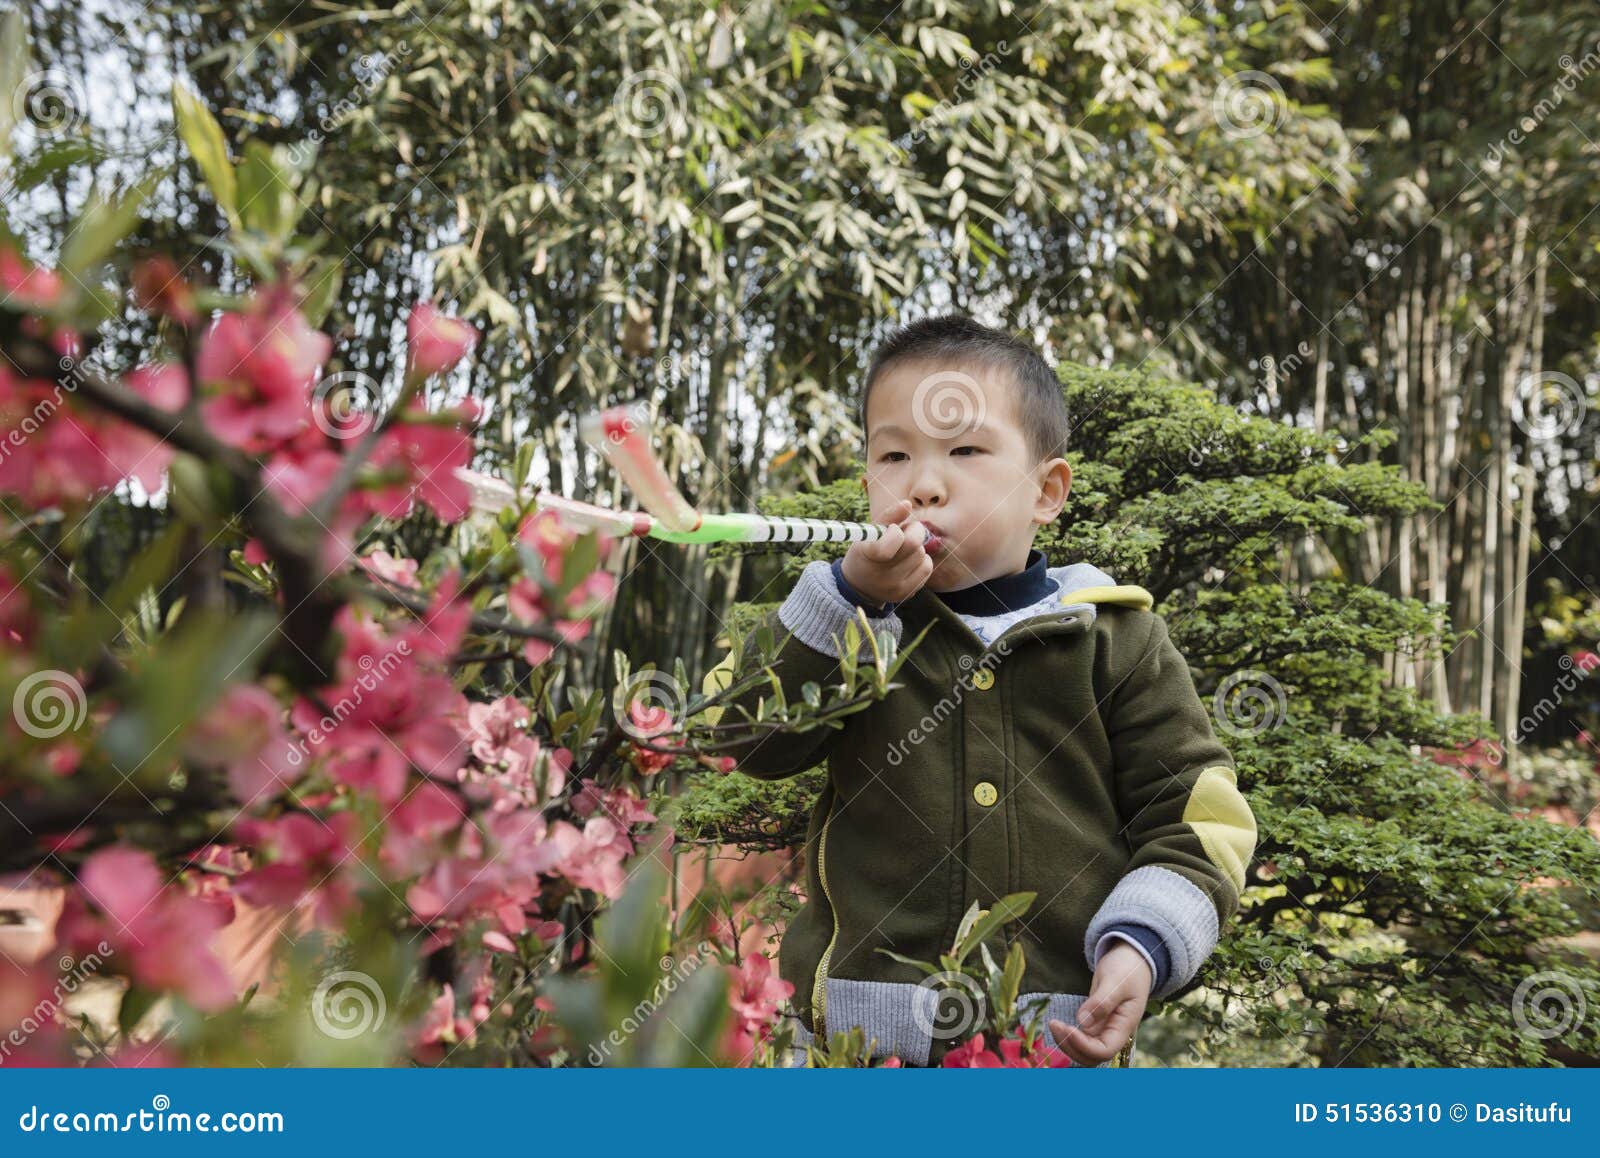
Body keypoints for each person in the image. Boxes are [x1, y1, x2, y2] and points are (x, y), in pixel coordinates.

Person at [701, 315, 1258, 1067]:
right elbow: (739, 737)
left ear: (1047, 492)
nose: (924, 484)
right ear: (869, 487)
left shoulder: (1116, 641)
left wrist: (1141, 944)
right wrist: (845, 602)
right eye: (894, 456)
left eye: (965, 451)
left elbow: (1200, 818)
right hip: (855, 1051)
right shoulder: (856, 628)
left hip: (1051, 1051)